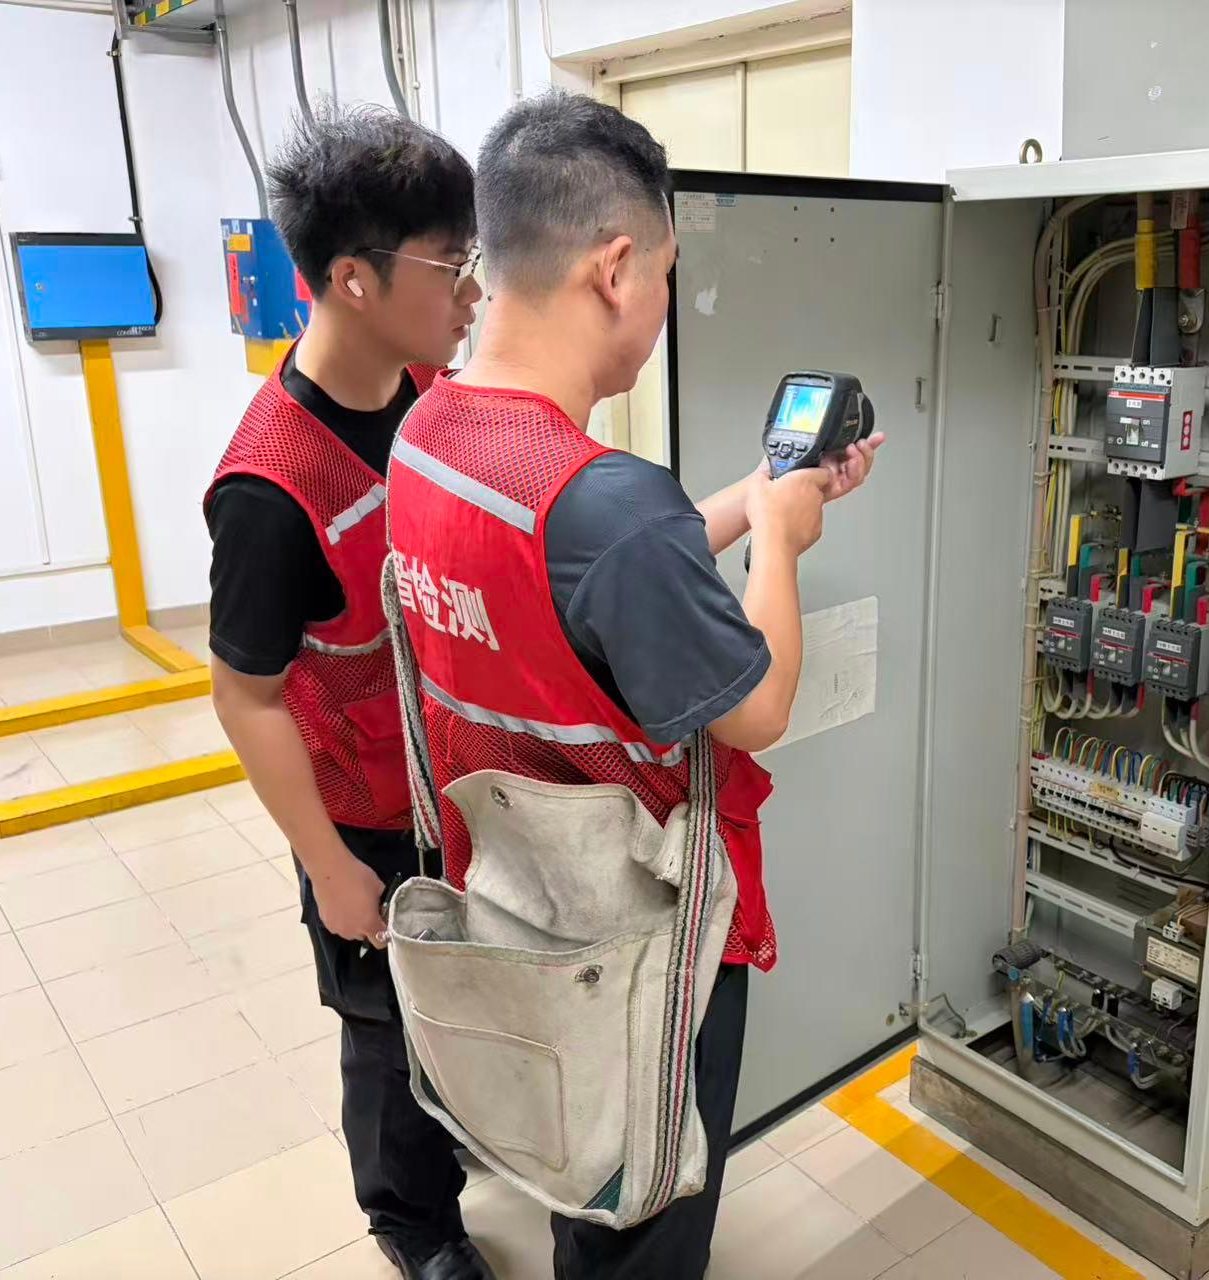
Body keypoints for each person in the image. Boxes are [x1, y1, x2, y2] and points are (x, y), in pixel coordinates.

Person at [383, 91, 882, 1279]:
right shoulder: (607, 503)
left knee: (581, 1157)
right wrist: (780, 542)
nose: (660, 302)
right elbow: (758, 706)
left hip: (519, 895)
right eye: (663, 273)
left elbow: (591, 580)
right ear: (614, 269)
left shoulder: (430, 433)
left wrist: (753, 495)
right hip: (642, 943)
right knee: (644, 1207)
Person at [204, 105, 495, 1280]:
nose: (473, 291)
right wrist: (328, 865)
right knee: (384, 1029)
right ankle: (412, 1223)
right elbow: (247, 698)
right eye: (450, 263)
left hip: (456, 779)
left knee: (460, 994)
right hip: (363, 811)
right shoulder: (269, 488)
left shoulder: (423, 386)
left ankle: (460, 1142)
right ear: (353, 279)